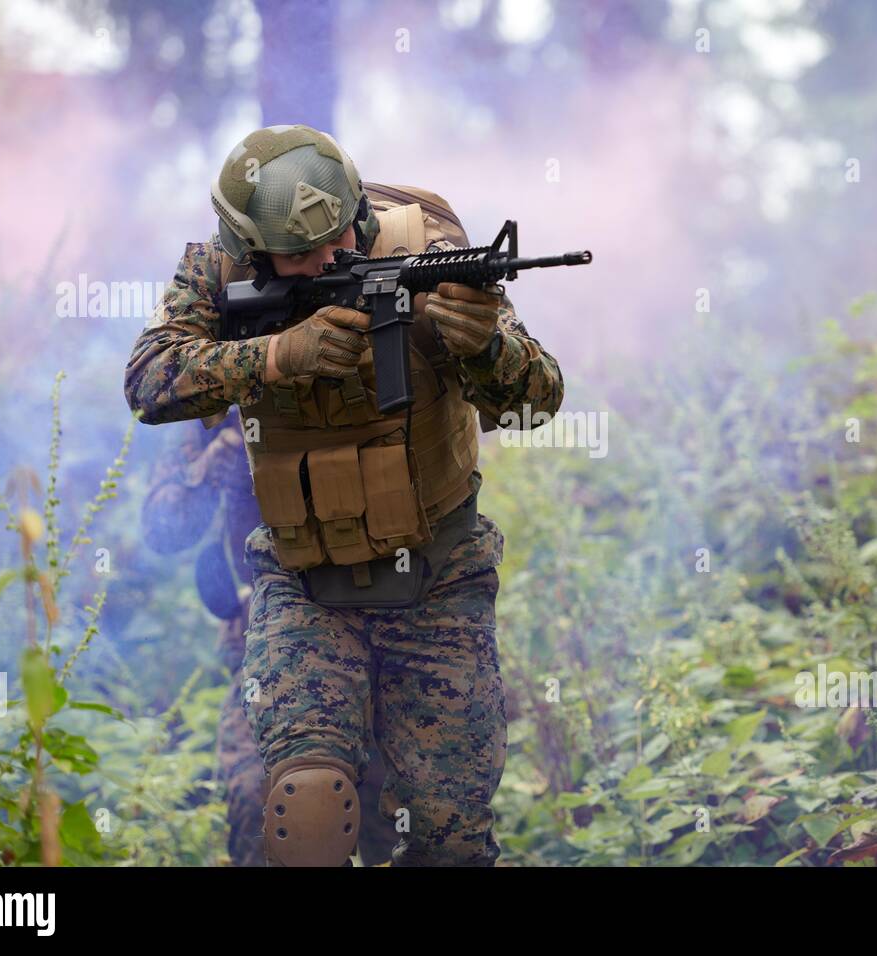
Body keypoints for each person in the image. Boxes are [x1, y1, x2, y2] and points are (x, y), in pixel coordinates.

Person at [124, 124, 564, 866]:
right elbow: (147, 381)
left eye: (340, 237)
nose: (333, 260)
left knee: (448, 839)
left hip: (437, 581)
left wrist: (487, 344)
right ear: (252, 250)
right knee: (310, 812)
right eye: (303, 254)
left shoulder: (426, 239)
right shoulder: (214, 267)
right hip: (304, 588)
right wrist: (275, 355)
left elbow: (538, 401)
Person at [139, 408, 399, 866]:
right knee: (268, 808)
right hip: (269, 635)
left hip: (391, 621)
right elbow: (162, 530)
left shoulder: (371, 347)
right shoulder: (219, 386)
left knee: (398, 817)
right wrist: (211, 467)